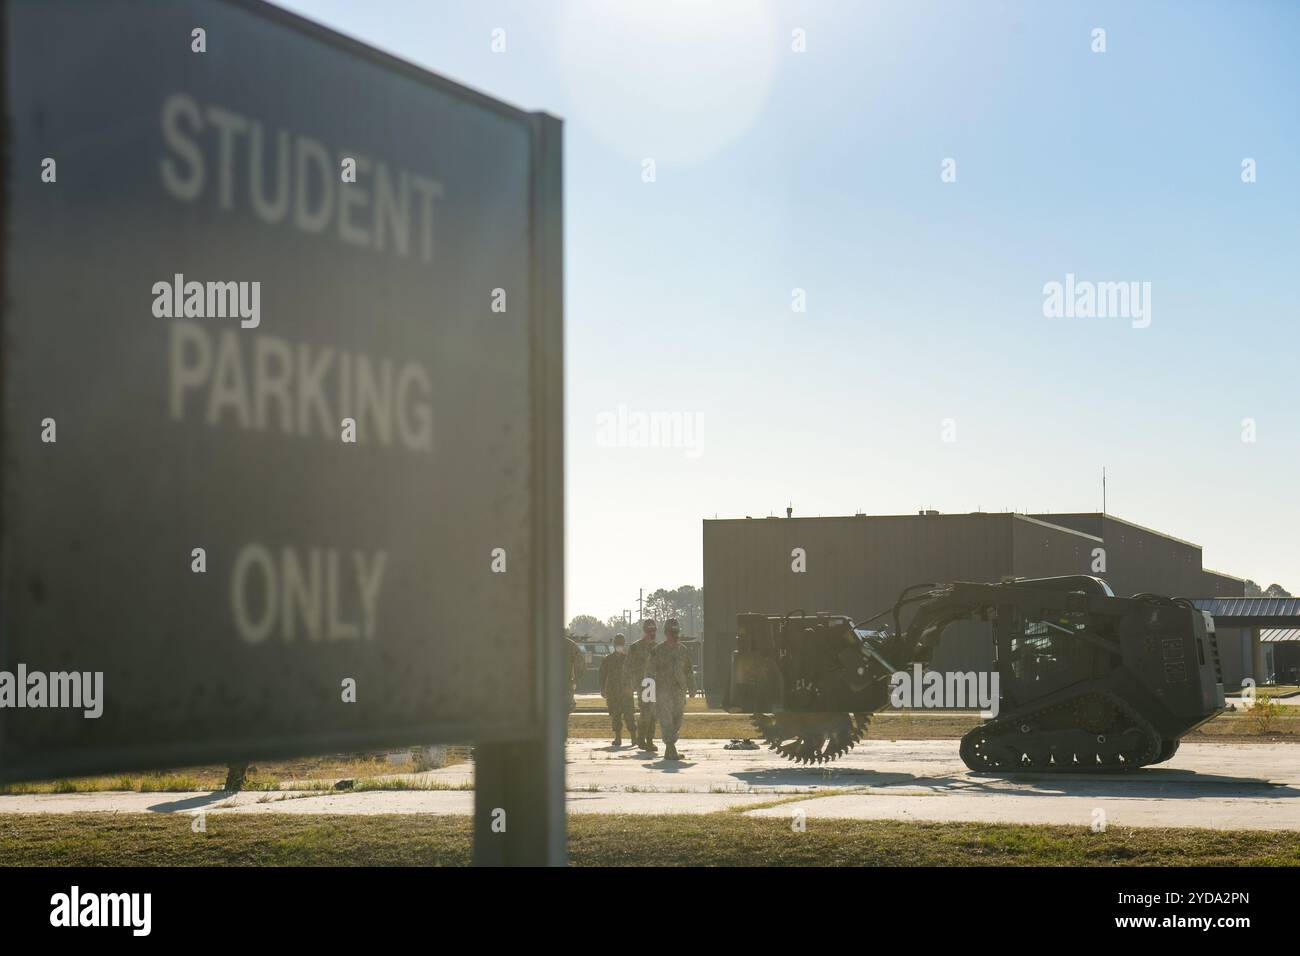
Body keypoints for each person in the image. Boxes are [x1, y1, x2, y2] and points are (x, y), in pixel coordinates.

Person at [647, 618, 695, 761]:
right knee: (666, 720)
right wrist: (648, 694)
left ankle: (670, 749)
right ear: (666, 633)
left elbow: (688, 671)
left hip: (679, 692)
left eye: (676, 632)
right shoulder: (657, 651)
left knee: (677, 720)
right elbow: (649, 673)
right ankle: (671, 748)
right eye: (671, 632)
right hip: (663, 692)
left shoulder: (683, 650)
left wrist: (692, 687)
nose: (675, 635)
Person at [598, 633, 636, 747]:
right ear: (614, 645)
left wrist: (633, 687)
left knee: (629, 715)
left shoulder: (628, 659)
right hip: (613, 693)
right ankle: (618, 738)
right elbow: (602, 675)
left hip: (626, 692)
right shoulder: (608, 660)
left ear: (624, 645)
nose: (619, 646)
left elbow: (634, 674)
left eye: (621, 644)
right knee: (615, 716)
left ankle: (634, 738)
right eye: (618, 644)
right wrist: (602, 689)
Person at [626, 619, 658, 751]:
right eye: (649, 631)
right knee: (646, 713)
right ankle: (641, 739)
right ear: (644, 632)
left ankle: (649, 740)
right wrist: (628, 684)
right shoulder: (635, 647)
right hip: (642, 684)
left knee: (653, 714)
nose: (652, 633)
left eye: (653, 631)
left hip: (655, 684)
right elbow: (627, 667)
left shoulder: (657, 647)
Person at [565, 637, 586, 714]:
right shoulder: (571, 644)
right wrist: (575, 679)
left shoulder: (545, 642)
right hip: (567, 683)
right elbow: (580, 662)